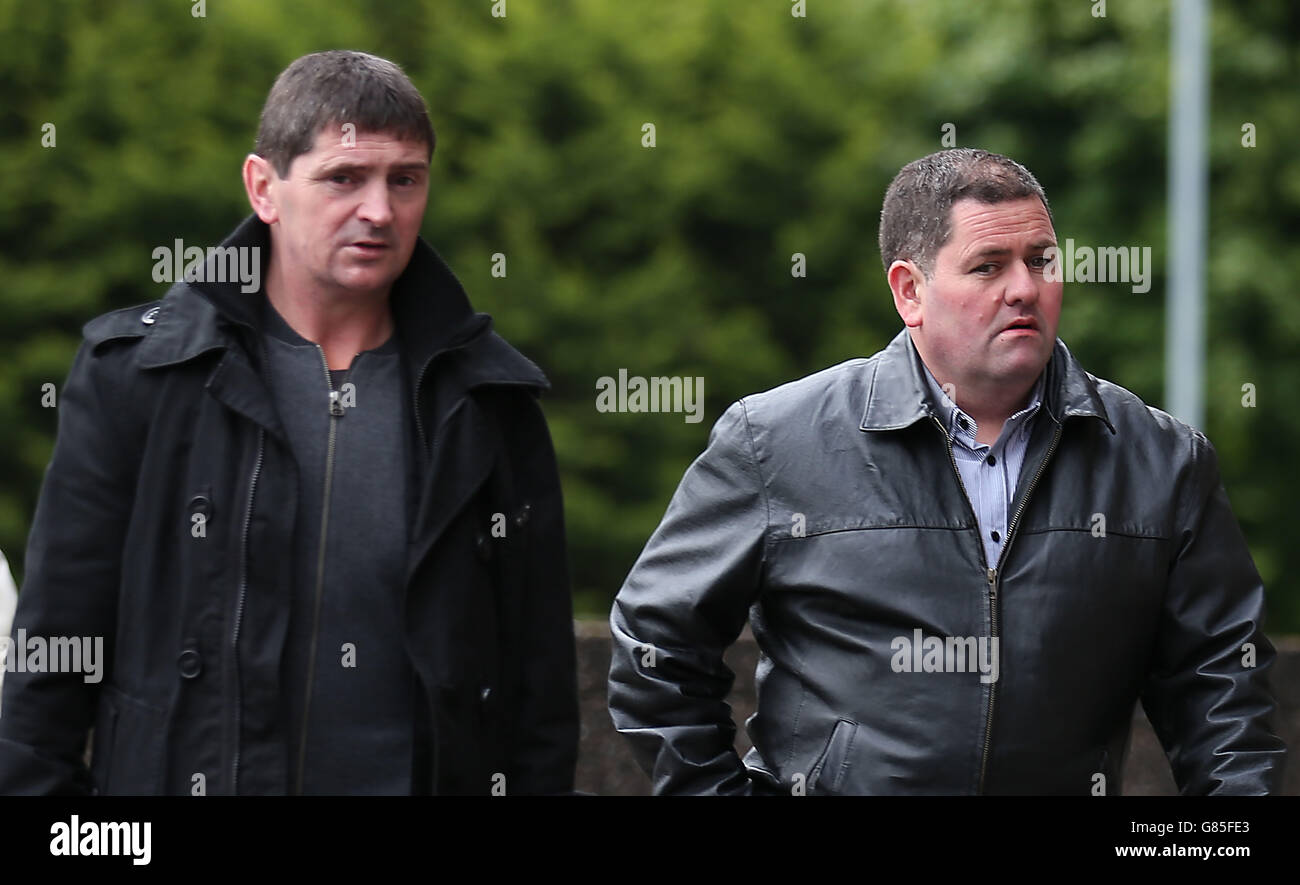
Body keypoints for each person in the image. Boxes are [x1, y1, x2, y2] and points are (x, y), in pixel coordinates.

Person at [608, 148, 1287, 795]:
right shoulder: (775, 442)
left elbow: (1222, 691)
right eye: (989, 265)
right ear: (911, 291)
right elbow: (655, 644)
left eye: (1041, 260)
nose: (1025, 288)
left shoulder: (1162, 460)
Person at [0, 50, 578, 795]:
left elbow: (540, 693)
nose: (379, 209)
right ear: (263, 187)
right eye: (344, 177)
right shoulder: (138, 375)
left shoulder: (489, 399)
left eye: (405, 179)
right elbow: (52, 652)